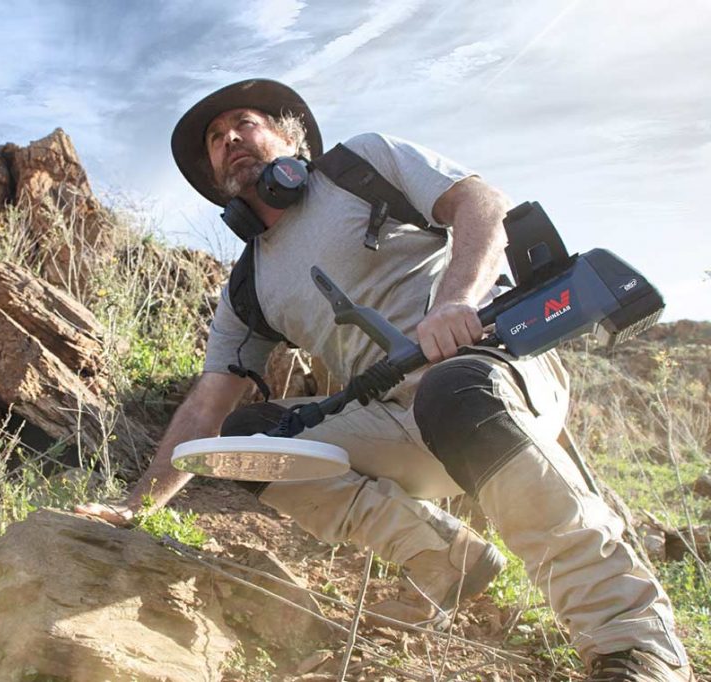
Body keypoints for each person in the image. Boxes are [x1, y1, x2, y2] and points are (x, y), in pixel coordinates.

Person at [76, 79, 694, 681]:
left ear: (292, 140)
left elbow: (481, 203)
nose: (230, 136)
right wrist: (134, 506)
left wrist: (456, 302)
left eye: (246, 121)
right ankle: (440, 554)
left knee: (452, 390)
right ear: (215, 178)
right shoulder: (247, 288)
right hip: (401, 425)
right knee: (244, 442)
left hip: (495, 370)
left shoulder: (362, 164)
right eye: (215, 137)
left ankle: (632, 644)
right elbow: (206, 408)